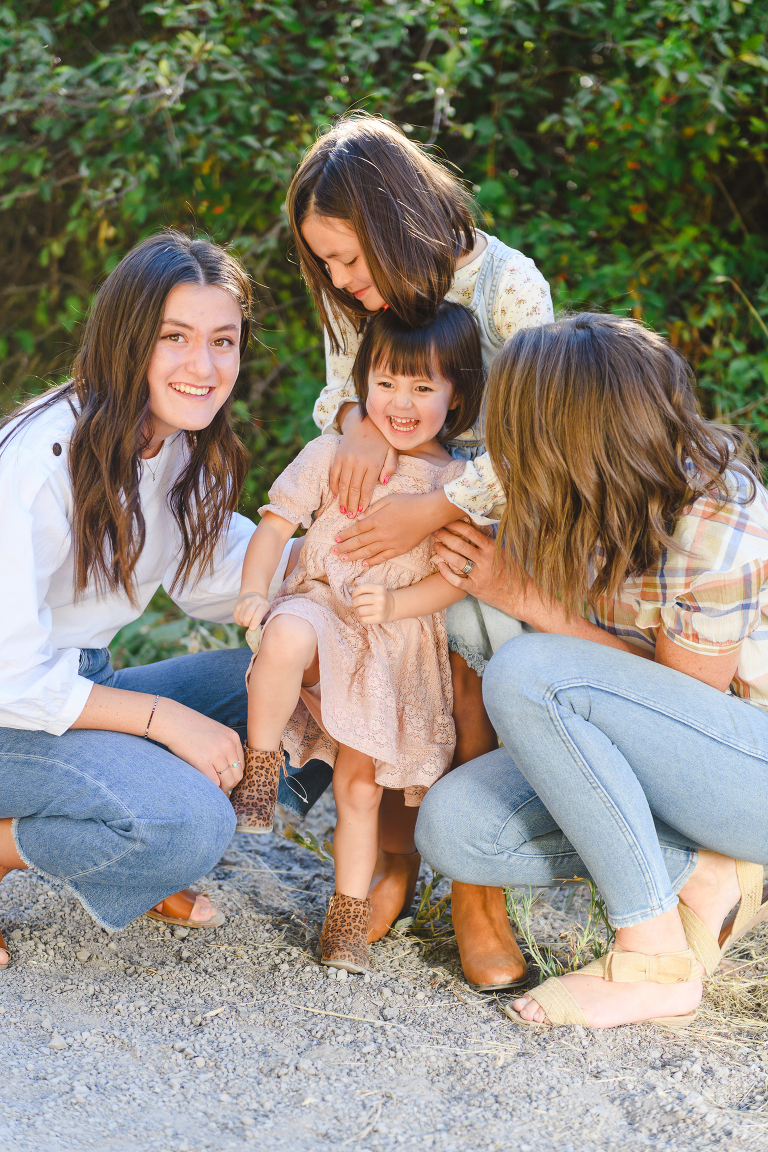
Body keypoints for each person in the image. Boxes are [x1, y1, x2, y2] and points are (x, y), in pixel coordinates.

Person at [416, 312, 768, 1028]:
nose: (502, 445)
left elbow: (681, 707)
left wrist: (527, 601)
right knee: (455, 829)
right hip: (665, 760)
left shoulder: (718, 521)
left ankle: (654, 963)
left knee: (531, 671)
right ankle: (706, 874)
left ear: (567, 437)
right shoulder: (567, 486)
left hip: (743, 764)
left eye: (516, 428)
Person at [285, 112, 551, 986]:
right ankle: (390, 858)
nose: (339, 279)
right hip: (384, 518)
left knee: (468, 670)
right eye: (325, 263)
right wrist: (359, 422)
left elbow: (534, 439)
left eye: (347, 259)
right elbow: (338, 391)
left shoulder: (510, 288)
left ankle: (477, 888)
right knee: (375, 660)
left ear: (394, 223)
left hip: (485, 518)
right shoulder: (356, 297)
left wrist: (434, 508)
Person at [0, 230, 266, 967]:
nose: (203, 366)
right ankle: (46, 844)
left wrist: (341, 556)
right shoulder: (39, 462)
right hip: (9, 705)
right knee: (189, 823)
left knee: (298, 684)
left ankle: (134, 852)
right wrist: (163, 719)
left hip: (83, 681)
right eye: (174, 337)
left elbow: (212, 577)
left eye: (222, 341)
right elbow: (9, 676)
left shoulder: (179, 442)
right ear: (126, 339)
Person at [230, 304, 485, 971]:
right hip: (322, 607)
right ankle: (260, 769)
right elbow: (276, 523)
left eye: (422, 387)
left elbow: (456, 579)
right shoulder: (334, 453)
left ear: (457, 395)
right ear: (363, 382)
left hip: (392, 649)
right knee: (286, 634)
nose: (400, 403)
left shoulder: (458, 486)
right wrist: (255, 589)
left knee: (361, 790)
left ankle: (345, 920)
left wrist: (398, 601)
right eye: (386, 383)